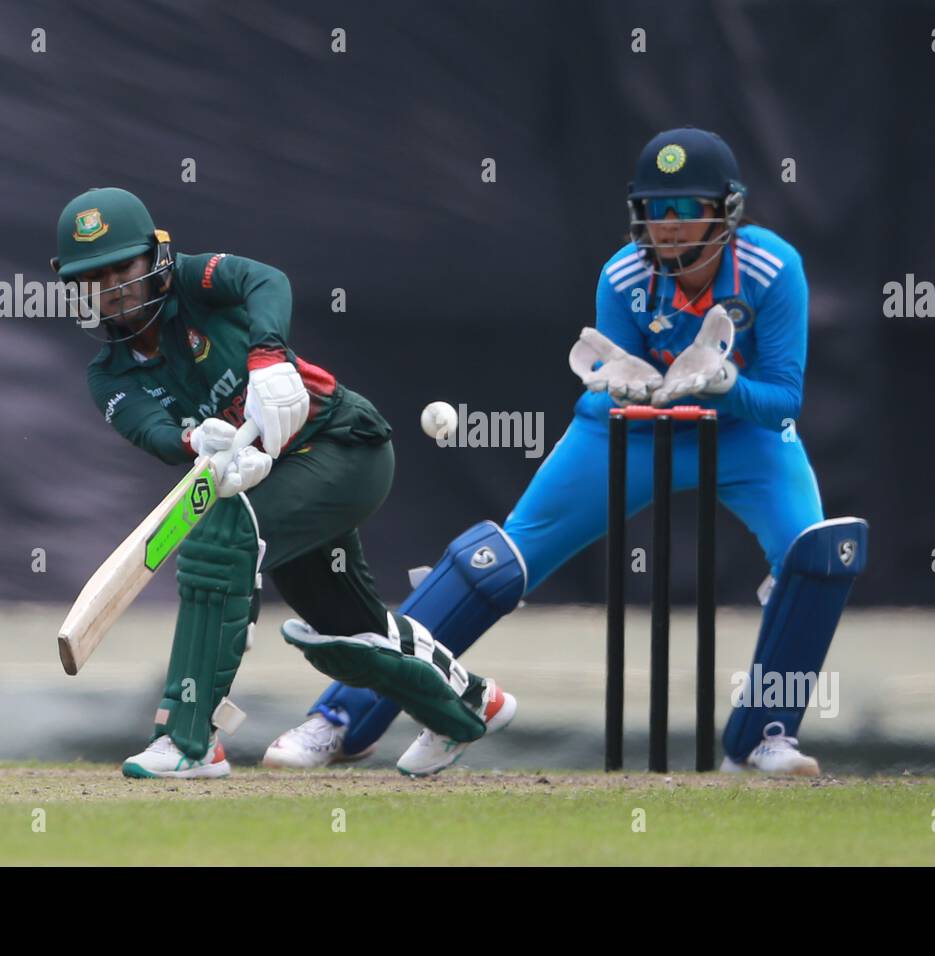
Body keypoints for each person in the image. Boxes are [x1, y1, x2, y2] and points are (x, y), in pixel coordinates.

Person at [264, 129, 867, 776]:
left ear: (726, 210)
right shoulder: (624, 274)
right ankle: (343, 718)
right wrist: (629, 385)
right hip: (627, 430)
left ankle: (763, 739)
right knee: (493, 561)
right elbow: (618, 369)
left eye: (683, 209)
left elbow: (784, 400)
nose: (665, 228)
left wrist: (726, 383)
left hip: (744, 434)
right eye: (653, 211)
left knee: (818, 556)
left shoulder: (774, 270)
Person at [51, 186, 515, 779]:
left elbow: (266, 280)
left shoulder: (197, 281)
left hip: (343, 447)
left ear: (156, 258)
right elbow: (154, 432)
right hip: (272, 480)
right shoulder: (107, 375)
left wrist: (268, 357)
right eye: (97, 277)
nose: (115, 288)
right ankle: (467, 706)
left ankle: (190, 739)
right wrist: (197, 441)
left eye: (125, 268)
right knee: (348, 632)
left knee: (217, 541)